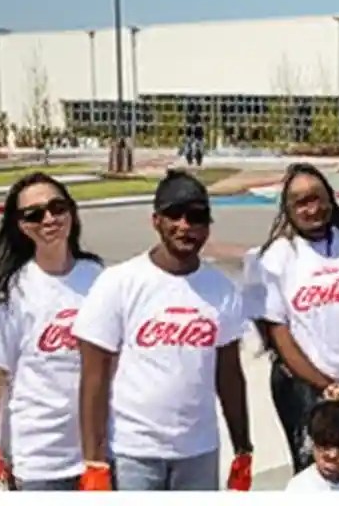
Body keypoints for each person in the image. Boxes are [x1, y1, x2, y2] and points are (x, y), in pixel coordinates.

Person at [72, 171, 253, 491]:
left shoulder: (222, 290)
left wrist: (243, 447)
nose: (185, 226)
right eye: (174, 215)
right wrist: (94, 461)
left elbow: (229, 375)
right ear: (156, 220)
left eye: (196, 217)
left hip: (199, 451)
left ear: (208, 225)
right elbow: (93, 377)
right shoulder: (119, 282)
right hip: (134, 452)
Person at [251, 163, 339, 473]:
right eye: (300, 202)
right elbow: (279, 334)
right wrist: (326, 387)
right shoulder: (276, 258)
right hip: (306, 389)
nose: (311, 209)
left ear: (330, 199)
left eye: (317, 198)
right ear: (287, 209)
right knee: (319, 476)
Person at [0, 174, 103, 491]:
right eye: (34, 214)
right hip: (38, 459)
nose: (49, 218)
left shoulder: (98, 277)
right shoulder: (11, 292)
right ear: (21, 226)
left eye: (57, 207)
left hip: (97, 453)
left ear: (71, 212)